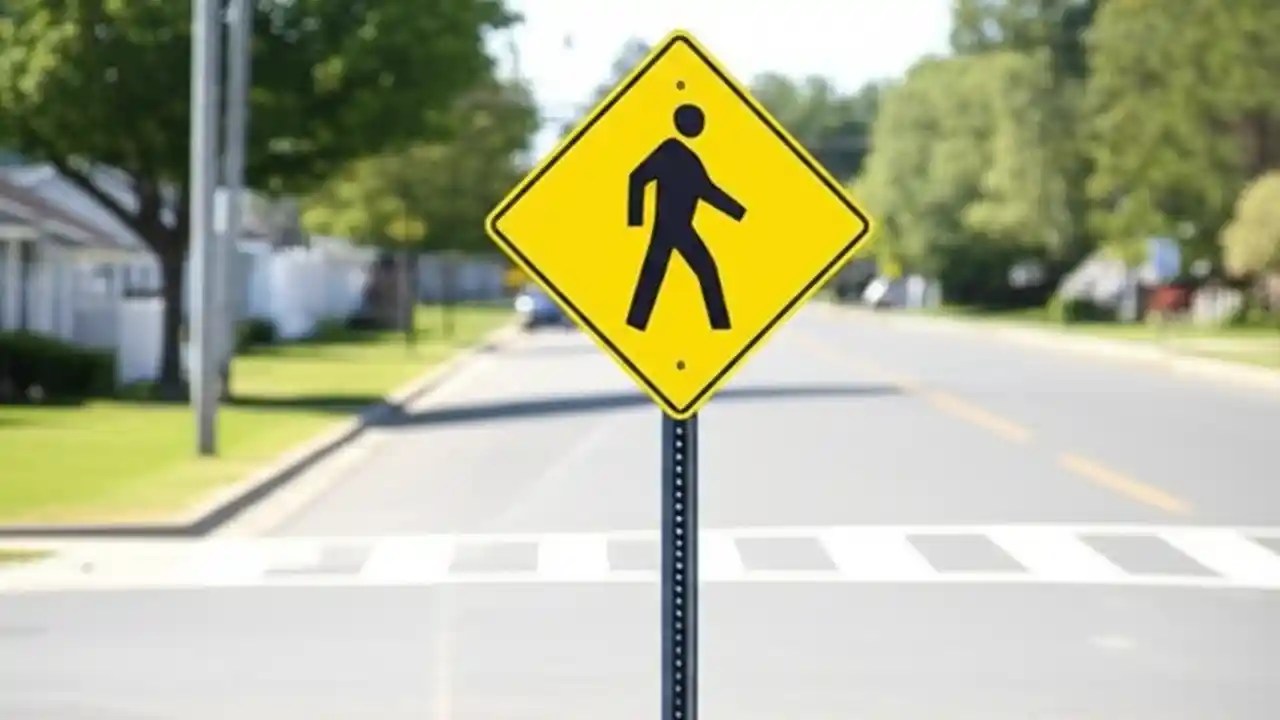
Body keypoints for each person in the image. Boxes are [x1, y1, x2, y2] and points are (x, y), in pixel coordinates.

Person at [625, 103, 745, 331]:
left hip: (677, 226)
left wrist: (739, 213)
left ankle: (636, 323)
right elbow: (636, 177)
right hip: (673, 226)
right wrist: (635, 219)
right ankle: (720, 325)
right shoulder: (670, 150)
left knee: (654, 275)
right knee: (704, 270)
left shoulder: (689, 157)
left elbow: (707, 190)